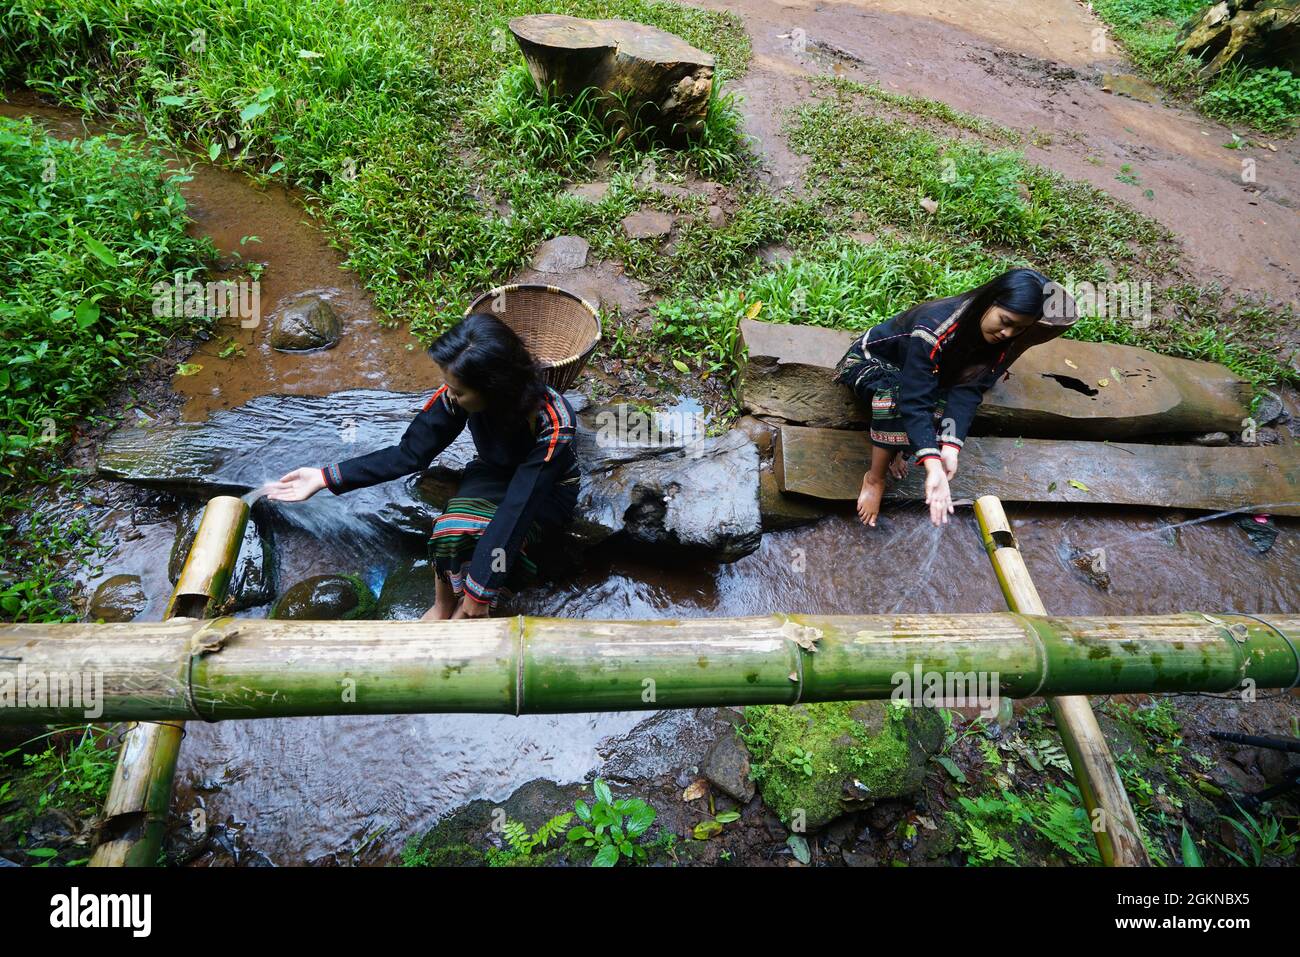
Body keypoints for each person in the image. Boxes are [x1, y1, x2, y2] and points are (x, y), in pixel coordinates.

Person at [265, 313, 580, 619]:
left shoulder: (553, 421)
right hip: (494, 471)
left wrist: (479, 592)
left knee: (492, 547)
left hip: (545, 491)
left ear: (494, 388)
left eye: (458, 391)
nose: (450, 396)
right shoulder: (458, 396)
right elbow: (410, 453)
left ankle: (478, 605)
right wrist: (324, 477)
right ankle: (442, 608)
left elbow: (518, 508)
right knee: (449, 529)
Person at [835, 268, 1076, 528]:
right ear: (989, 301)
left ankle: (900, 450)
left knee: (941, 406)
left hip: (927, 371)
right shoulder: (934, 327)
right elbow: (914, 400)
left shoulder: (1000, 337)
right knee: (895, 401)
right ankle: (875, 477)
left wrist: (950, 448)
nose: (1008, 334)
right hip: (874, 362)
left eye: (1019, 328)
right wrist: (932, 462)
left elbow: (969, 388)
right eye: (1005, 321)